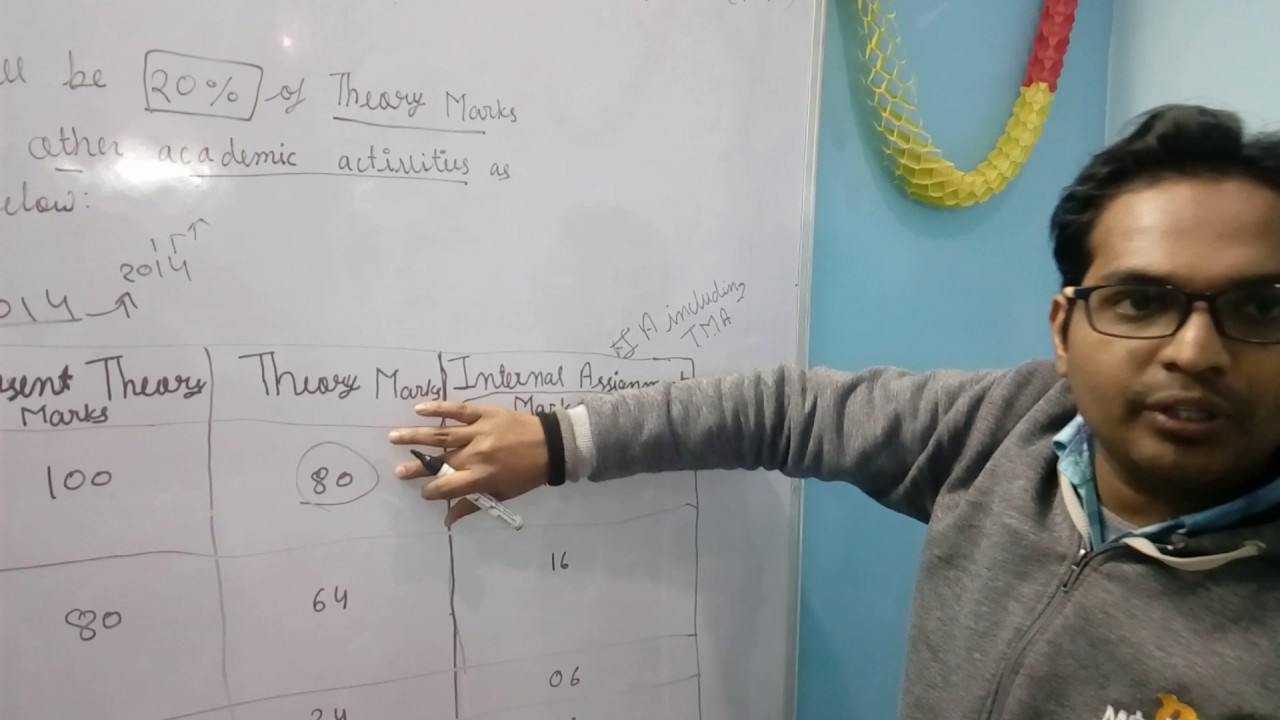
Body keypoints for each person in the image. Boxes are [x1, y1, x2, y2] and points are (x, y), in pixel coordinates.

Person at [388, 104, 1280, 719]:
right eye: (1140, 300)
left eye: (1260, 306)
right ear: (1064, 327)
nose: (1195, 351)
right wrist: (555, 442)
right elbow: (787, 411)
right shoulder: (1010, 428)